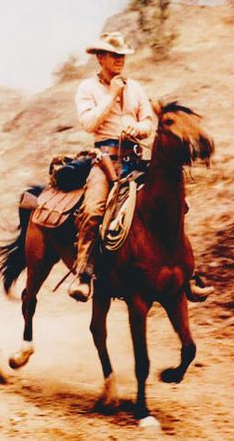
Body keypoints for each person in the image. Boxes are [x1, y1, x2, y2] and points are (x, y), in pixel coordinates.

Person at [68, 31, 156, 302]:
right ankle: (83, 273)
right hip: (105, 160)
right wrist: (113, 95)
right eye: (115, 55)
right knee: (93, 209)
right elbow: (89, 124)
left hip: (135, 158)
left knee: (170, 203)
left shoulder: (136, 87)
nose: (120, 60)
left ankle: (185, 273)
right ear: (100, 58)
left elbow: (149, 122)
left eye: (123, 56)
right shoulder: (87, 88)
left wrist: (138, 128)